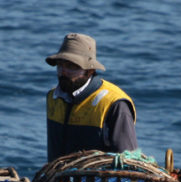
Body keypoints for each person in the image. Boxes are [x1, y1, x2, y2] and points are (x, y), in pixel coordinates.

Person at [45, 33, 137, 162]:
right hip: (57, 179)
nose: (63, 71)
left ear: (90, 71)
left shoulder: (114, 104)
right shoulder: (53, 98)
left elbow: (128, 162)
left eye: (71, 66)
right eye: (60, 65)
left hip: (99, 181)